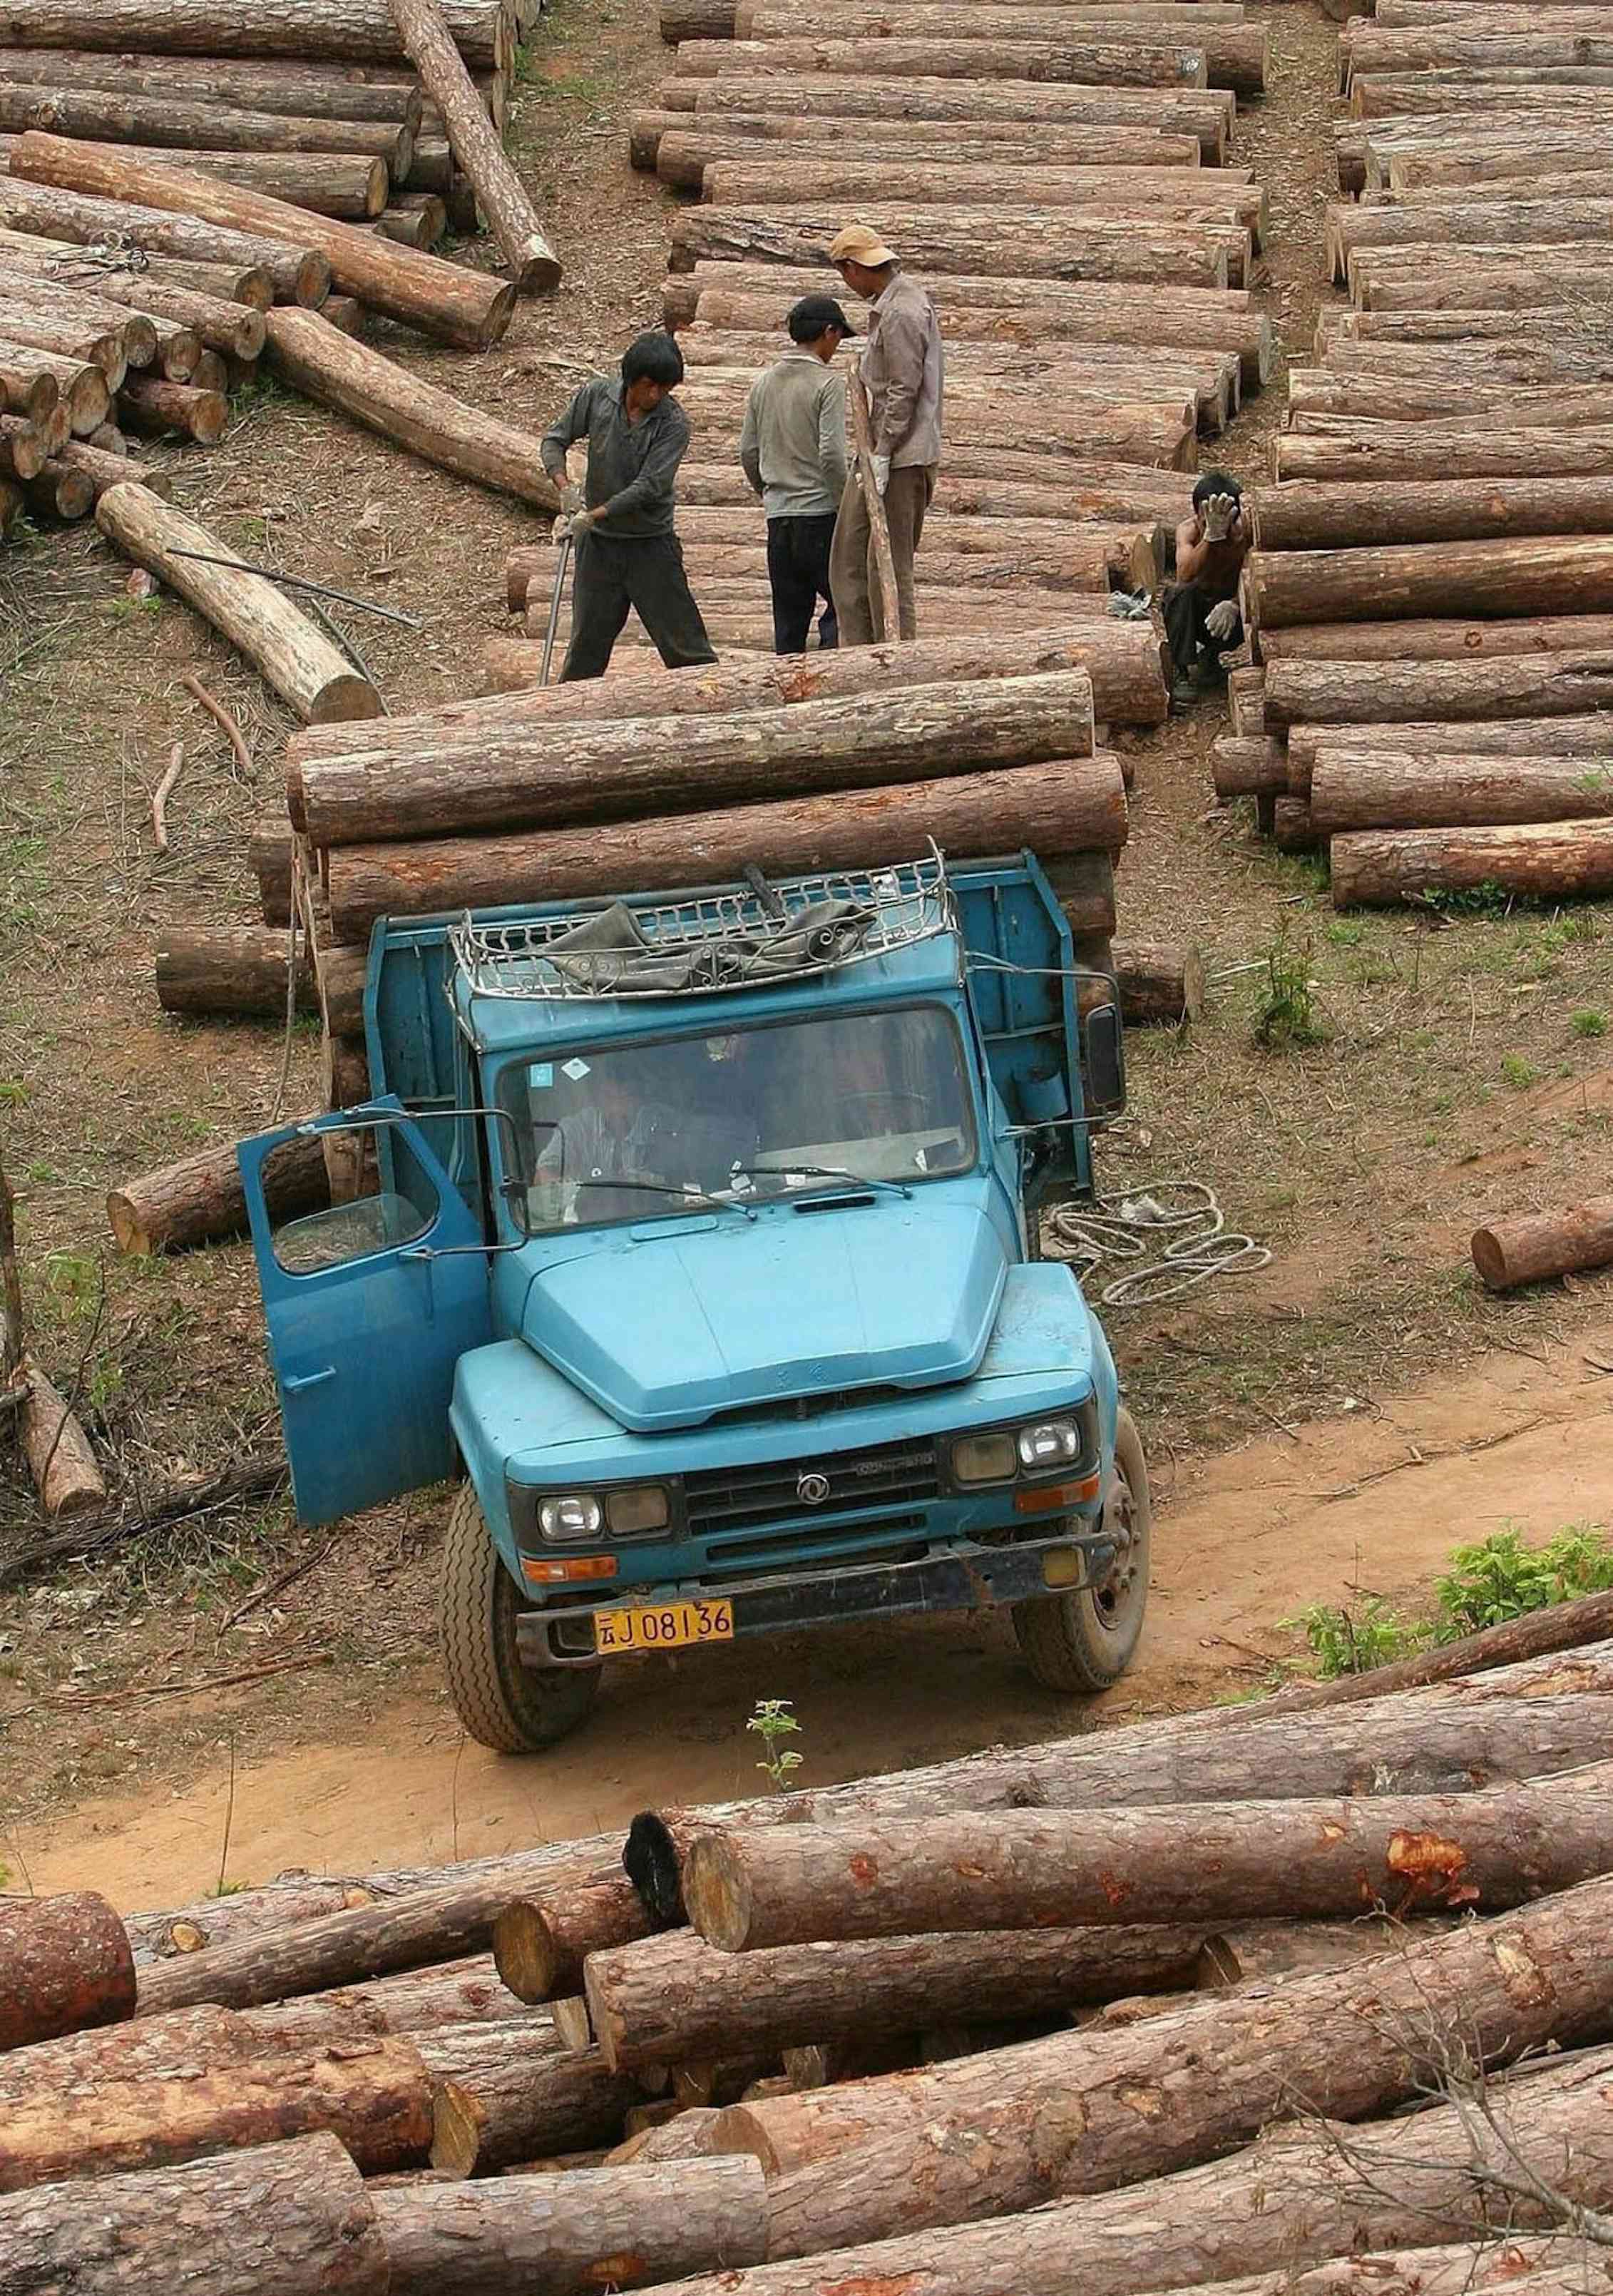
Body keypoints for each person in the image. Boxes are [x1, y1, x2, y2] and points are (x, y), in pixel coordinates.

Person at [539, 332, 716, 682]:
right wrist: (566, 489)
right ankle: (572, 723)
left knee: (687, 650)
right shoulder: (596, 396)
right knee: (586, 650)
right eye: (650, 387)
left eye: (664, 389)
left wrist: (591, 515)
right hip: (600, 549)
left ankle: (712, 711)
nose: (656, 396)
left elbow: (649, 487)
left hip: (650, 546)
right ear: (632, 379)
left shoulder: (673, 424)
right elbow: (554, 440)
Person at [824, 223, 944, 646]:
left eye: (844, 274)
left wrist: (885, 451)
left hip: (902, 456)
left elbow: (903, 389)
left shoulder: (902, 312)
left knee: (888, 569)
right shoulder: (890, 305)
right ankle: (859, 654)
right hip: (878, 450)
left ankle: (894, 657)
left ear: (854, 268)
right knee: (849, 559)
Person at [738, 294, 853, 654]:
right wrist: (847, 501)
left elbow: (748, 452)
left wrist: (770, 491)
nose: (837, 346)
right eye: (838, 337)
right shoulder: (827, 384)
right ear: (828, 331)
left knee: (788, 623)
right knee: (843, 605)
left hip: (779, 517)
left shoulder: (763, 384)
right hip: (820, 515)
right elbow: (832, 456)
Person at [1163, 470, 1251, 709]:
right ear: (1197, 515)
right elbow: (1184, 574)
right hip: (1197, 611)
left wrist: (1234, 604)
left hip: (1233, 614)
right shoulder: (1189, 531)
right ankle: (1182, 669)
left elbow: (1254, 577)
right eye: (1206, 519)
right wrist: (1210, 537)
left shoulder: (1245, 536)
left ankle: (1211, 658)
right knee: (1179, 594)